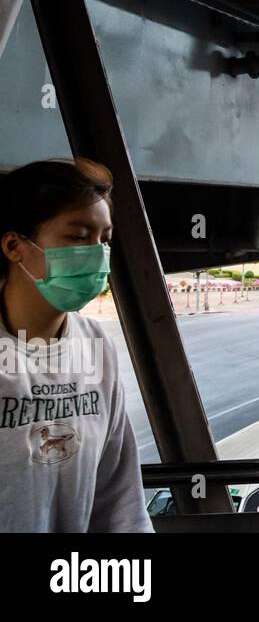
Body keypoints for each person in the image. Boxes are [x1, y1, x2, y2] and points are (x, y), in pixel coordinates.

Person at [0, 159, 152, 532]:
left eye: (105, 239)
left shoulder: (97, 345)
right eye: (78, 236)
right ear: (14, 245)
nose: (97, 254)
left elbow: (119, 495)